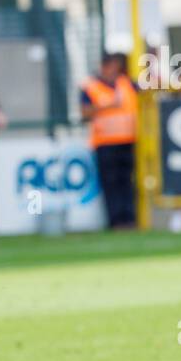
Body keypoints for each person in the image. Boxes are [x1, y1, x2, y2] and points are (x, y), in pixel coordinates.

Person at [80, 52, 138, 229]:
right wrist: (109, 106)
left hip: (128, 140)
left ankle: (129, 219)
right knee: (111, 184)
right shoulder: (91, 86)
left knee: (127, 182)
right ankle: (116, 221)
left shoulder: (125, 82)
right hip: (105, 143)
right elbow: (84, 112)